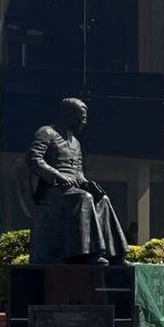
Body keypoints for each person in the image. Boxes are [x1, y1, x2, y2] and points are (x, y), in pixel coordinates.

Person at [25, 97, 129, 265]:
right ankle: (85, 254)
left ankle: (115, 254)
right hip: (51, 191)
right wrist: (58, 175)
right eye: (81, 116)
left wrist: (87, 183)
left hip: (71, 190)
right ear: (69, 114)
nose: (84, 121)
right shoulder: (47, 132)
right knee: (84, 198)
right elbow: (34, 159)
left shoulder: (76, 143)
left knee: (102, 199)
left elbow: (78, 172)